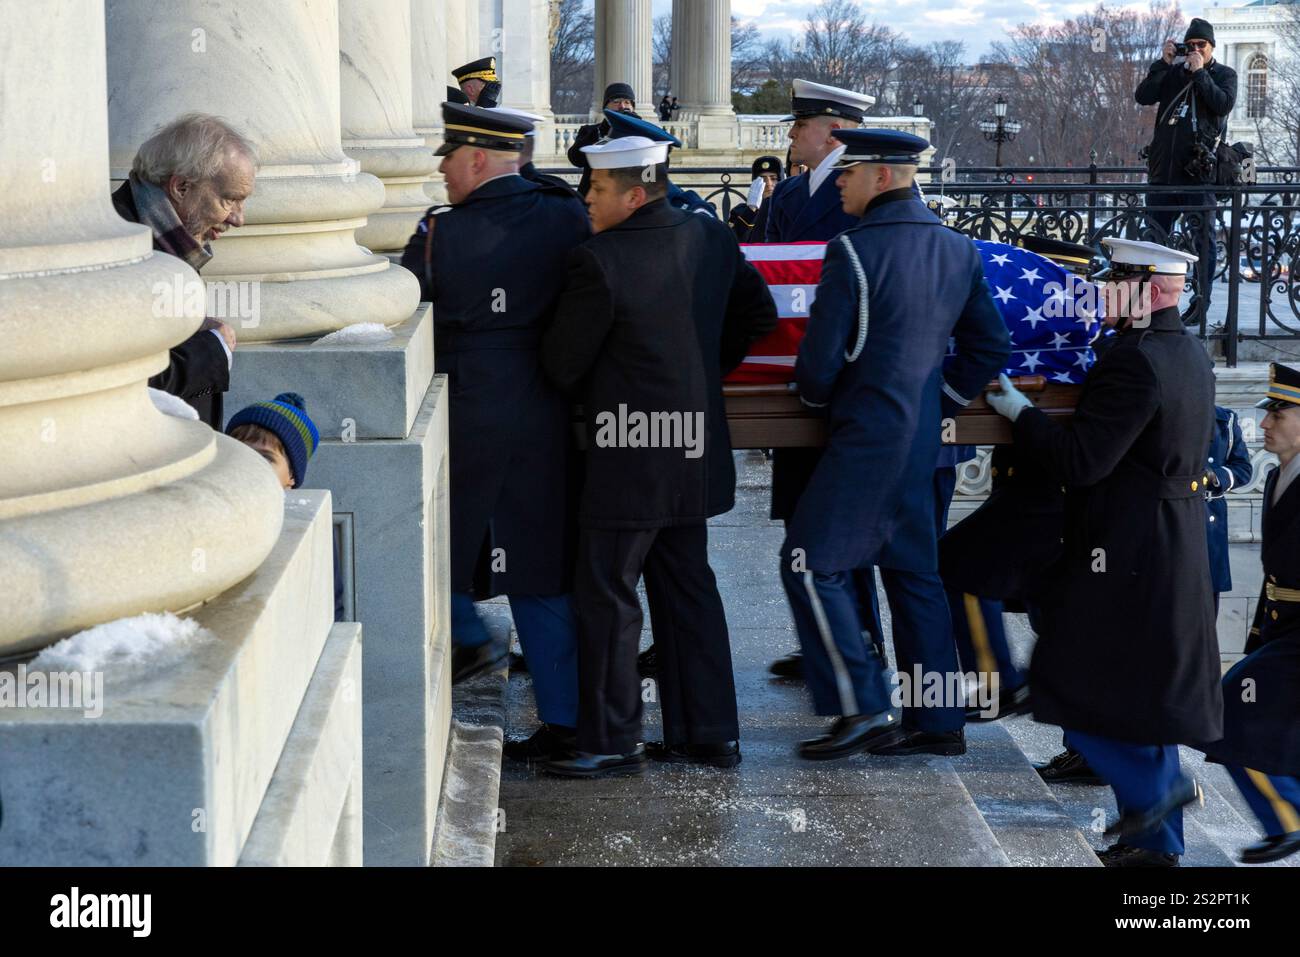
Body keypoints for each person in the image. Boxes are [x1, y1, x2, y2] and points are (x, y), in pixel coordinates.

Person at [538, 134, 777, 778]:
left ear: (634, 195)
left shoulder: (599, 261)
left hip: (626, 459)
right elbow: (759, 315)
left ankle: (612, 739)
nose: (586, 199)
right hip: (693, 450)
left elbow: (562, 365)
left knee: (609, 593)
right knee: (688, 588)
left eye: (597, 189)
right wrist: (700, 372)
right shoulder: (711, 238)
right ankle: (709, 734)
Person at [987, 237, 1222, 867]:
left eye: (1112, 281)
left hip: (1127, 549)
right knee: (1142, 700)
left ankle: (1163, 792)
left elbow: (1083, 462)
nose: (1098, 293)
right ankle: (1154, 846)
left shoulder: (1134, 361)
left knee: (1069, 684)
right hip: (1168, 543)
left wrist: (1018, 412)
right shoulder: (1186, 351)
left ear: (1145, 289)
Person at [781, 128, 1010, 761]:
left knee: (807, 560)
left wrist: (819, 399)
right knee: (914, 575)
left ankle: (857, 704)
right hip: (920, 441)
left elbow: (819, 366)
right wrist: (940, 401)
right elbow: (989, 346)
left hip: (868, 438)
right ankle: (939, 721)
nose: (841, 182)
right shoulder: (957, 249)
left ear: (883, 176)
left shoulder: (851, 252)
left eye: (850, 171)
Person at [398, 104, 591, 760]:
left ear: (477, 159)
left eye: (449, 159)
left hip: (469, 405)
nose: (445, 173)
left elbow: (406, 303)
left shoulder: (439, 232)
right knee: (541, 566)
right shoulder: (567, 213)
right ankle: (566, 719)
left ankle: (468, 632)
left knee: (439, 542)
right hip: (548, 405)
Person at [939, 236, 1101, 726]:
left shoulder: (1077, 340)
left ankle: (1000, 682)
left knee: (957, 563)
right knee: (1049, 603)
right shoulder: (1083, 340)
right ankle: (1069, 718)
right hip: (1038, 489)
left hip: (1050, 490)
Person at [759, 81, 882, 680]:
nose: (789, 135)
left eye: (798, 125)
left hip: (841, 372)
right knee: (803, 515)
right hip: (798, 373)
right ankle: (823, 641)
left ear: (831, 130)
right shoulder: (793, 191)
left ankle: (859, 642)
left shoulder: (853, 190)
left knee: (841, 526)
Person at [1203, 363, 1300, 864]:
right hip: (1285, 630)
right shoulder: (1280, 476)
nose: (1264, 423)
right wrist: (1261, 629)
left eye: (1278, 414)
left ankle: (1288, 817)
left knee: (1230, 707)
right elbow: (1277, 575)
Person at [112, 112, 251, 429]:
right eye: (230, 200)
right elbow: (124, 382)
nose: (238, 219)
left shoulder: (167, 238)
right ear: (181, 187)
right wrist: (213, 349)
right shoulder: (120, 250)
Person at [1135, 18, 1237, 322]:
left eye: (1200, 45)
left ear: (1211, 47)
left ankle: (1200, 304)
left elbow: (1222, 104)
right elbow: (1143, 96)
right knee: (1154, 239)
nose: (1194, 50)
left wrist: (1201, 74)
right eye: (1189, 45)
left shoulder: (1223, 74)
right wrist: (1162, 64)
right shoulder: (1172, 73)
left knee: (1202, 239)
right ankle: (1151, 304)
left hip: (1198, 174)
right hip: (1163, 174)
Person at [225, 393, 344, 621]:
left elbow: (332, 605)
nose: (251, 464)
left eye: (265, 458)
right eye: (242, 451)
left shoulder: (309, 528)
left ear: (291, 475)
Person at [567, 82, 639, 197]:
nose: (622, 106)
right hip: (594, 197)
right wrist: (608, 131)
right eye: (616, 101)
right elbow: (576, 159)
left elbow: (653, 173)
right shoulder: (590, 131)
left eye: (627, 102)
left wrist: (639, 128)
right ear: (605, 107)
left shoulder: (642, 135)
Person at [728, 155, 784, 242]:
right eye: (762, 179)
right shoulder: (740, 211)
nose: (768, 183)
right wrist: (751, 209)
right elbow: (733, 239)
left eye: (774, 179)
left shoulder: (788, 210)